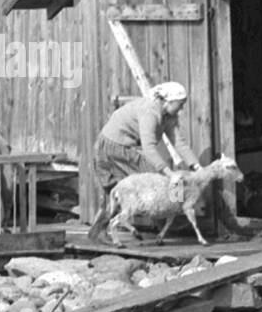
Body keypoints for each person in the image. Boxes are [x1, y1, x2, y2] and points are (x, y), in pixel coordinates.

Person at [86, 81, 202, 242]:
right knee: (154, 179)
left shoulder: (169, 116)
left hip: (119, 146)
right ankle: (171, 217)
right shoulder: (150, 113)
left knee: (117, 189)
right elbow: (149, 148)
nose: (182, 109)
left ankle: (99, 231)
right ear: (168, 101)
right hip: (113, 147)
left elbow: (178, 142)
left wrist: (196, 165)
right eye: (180, 104)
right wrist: (169, 172)